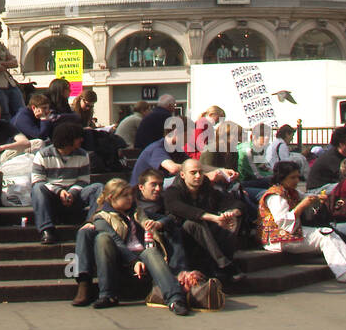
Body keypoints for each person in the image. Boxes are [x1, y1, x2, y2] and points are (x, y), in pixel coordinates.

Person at [70, 176, 190, 314]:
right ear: (111, 198)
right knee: (102, 238)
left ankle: (175, 299)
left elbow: (169, 218)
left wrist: (159, 223)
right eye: (124, 195)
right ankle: (107, 295)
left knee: (150, 252)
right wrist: (134, 262)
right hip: (121, 257)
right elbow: (117, 242)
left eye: (130, 195)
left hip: (144, 253)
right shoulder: (101, 217)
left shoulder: (138, 212)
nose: (130, 198)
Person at [258, 161, 346, 284]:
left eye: (297, 177)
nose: (296, 181)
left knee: (329, 233)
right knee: (325, 236)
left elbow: (306, 196)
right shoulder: (275, 196)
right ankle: (343, 272)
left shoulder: (290, 191)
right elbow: (282, 221)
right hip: (277, 238)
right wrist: (302, 206)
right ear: (282, 178)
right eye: (292, 177)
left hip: (292, 232)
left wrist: (318, 198)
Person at [162, 158, 248, 285]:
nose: (198, 176)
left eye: (200, 172)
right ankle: (225, 265)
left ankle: (222, 264)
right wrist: (213, 218)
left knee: (230, 221)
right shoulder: (172, 192)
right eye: (193, 173)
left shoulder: (207, 190)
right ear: (182, 175)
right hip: (181, 236)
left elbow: (235, 203)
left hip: (207, 235)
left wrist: (232, 213)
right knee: (194, 223)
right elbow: (184, 210)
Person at [31, 121, 103, 245]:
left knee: (98, 188)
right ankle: (46, 230)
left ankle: (90, 224)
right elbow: (38, 180)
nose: (81, 140)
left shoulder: (83, 155)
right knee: (38, 188)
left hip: (75, 195)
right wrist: (59, 191)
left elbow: (84, 180)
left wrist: (72, 192)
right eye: (78, 138)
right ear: (68, 139)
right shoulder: (43, 155)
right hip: (52, 196)